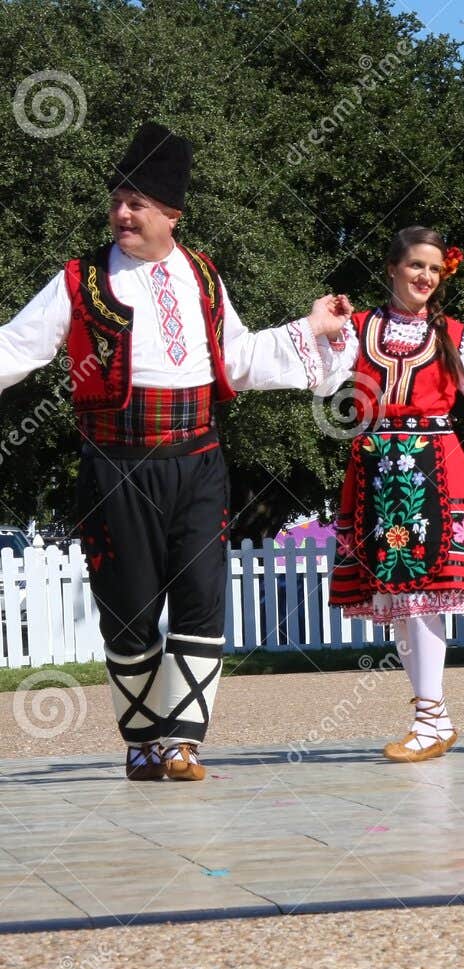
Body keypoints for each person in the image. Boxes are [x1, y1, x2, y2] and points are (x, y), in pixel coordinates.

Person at [0, 122, 344, 781]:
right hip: (116, 467)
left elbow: (238, 360)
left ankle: (182, 742)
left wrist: (312, 329)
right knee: (128, 609)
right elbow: (16, 348)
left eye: (138, 203)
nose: (122, 213)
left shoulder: (204, 277)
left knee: (200, 597)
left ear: (172, 215)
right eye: (118, 200)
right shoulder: (80, 281)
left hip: (198, 461)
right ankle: (141, 741)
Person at [316, 227, 464, 762]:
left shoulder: (453, 335)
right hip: (377, 469)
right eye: (416, 265)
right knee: (400, 601)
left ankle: (429, 717)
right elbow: (324, 383)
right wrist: (324, 331)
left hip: (434, 470)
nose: (424, 277)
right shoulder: (359, 328)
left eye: (434, 270)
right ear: (392, 267)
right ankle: (432, 717)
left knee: (421, 596)